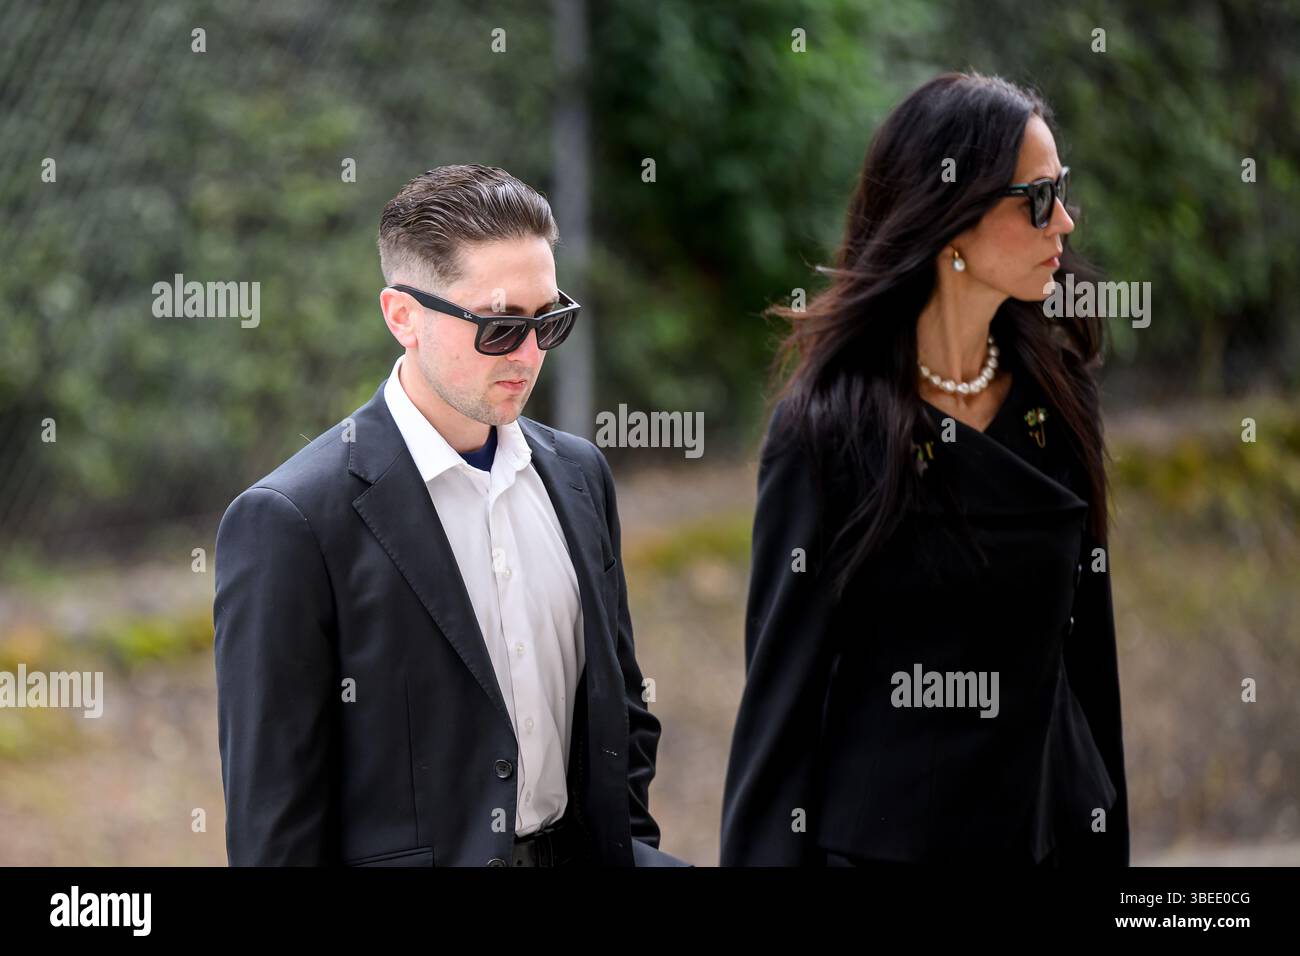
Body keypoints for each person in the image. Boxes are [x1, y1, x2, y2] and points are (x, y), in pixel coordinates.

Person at [215, 164, 684, 866]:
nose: (528, 356)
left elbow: (622, 716)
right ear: (402, 316)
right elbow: (275, 824)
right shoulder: (291, 522)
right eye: (499, 327)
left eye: (549, 322)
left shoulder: (580, 475)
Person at [720, 73, 1128, 866]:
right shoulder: (826, 428)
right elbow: (782, 708)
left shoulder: (1060, 399)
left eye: (1063, 193)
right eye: (1038, 199)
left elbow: (1090, 671)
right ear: (951, 218)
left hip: (1049, 842)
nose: (1065, 223)